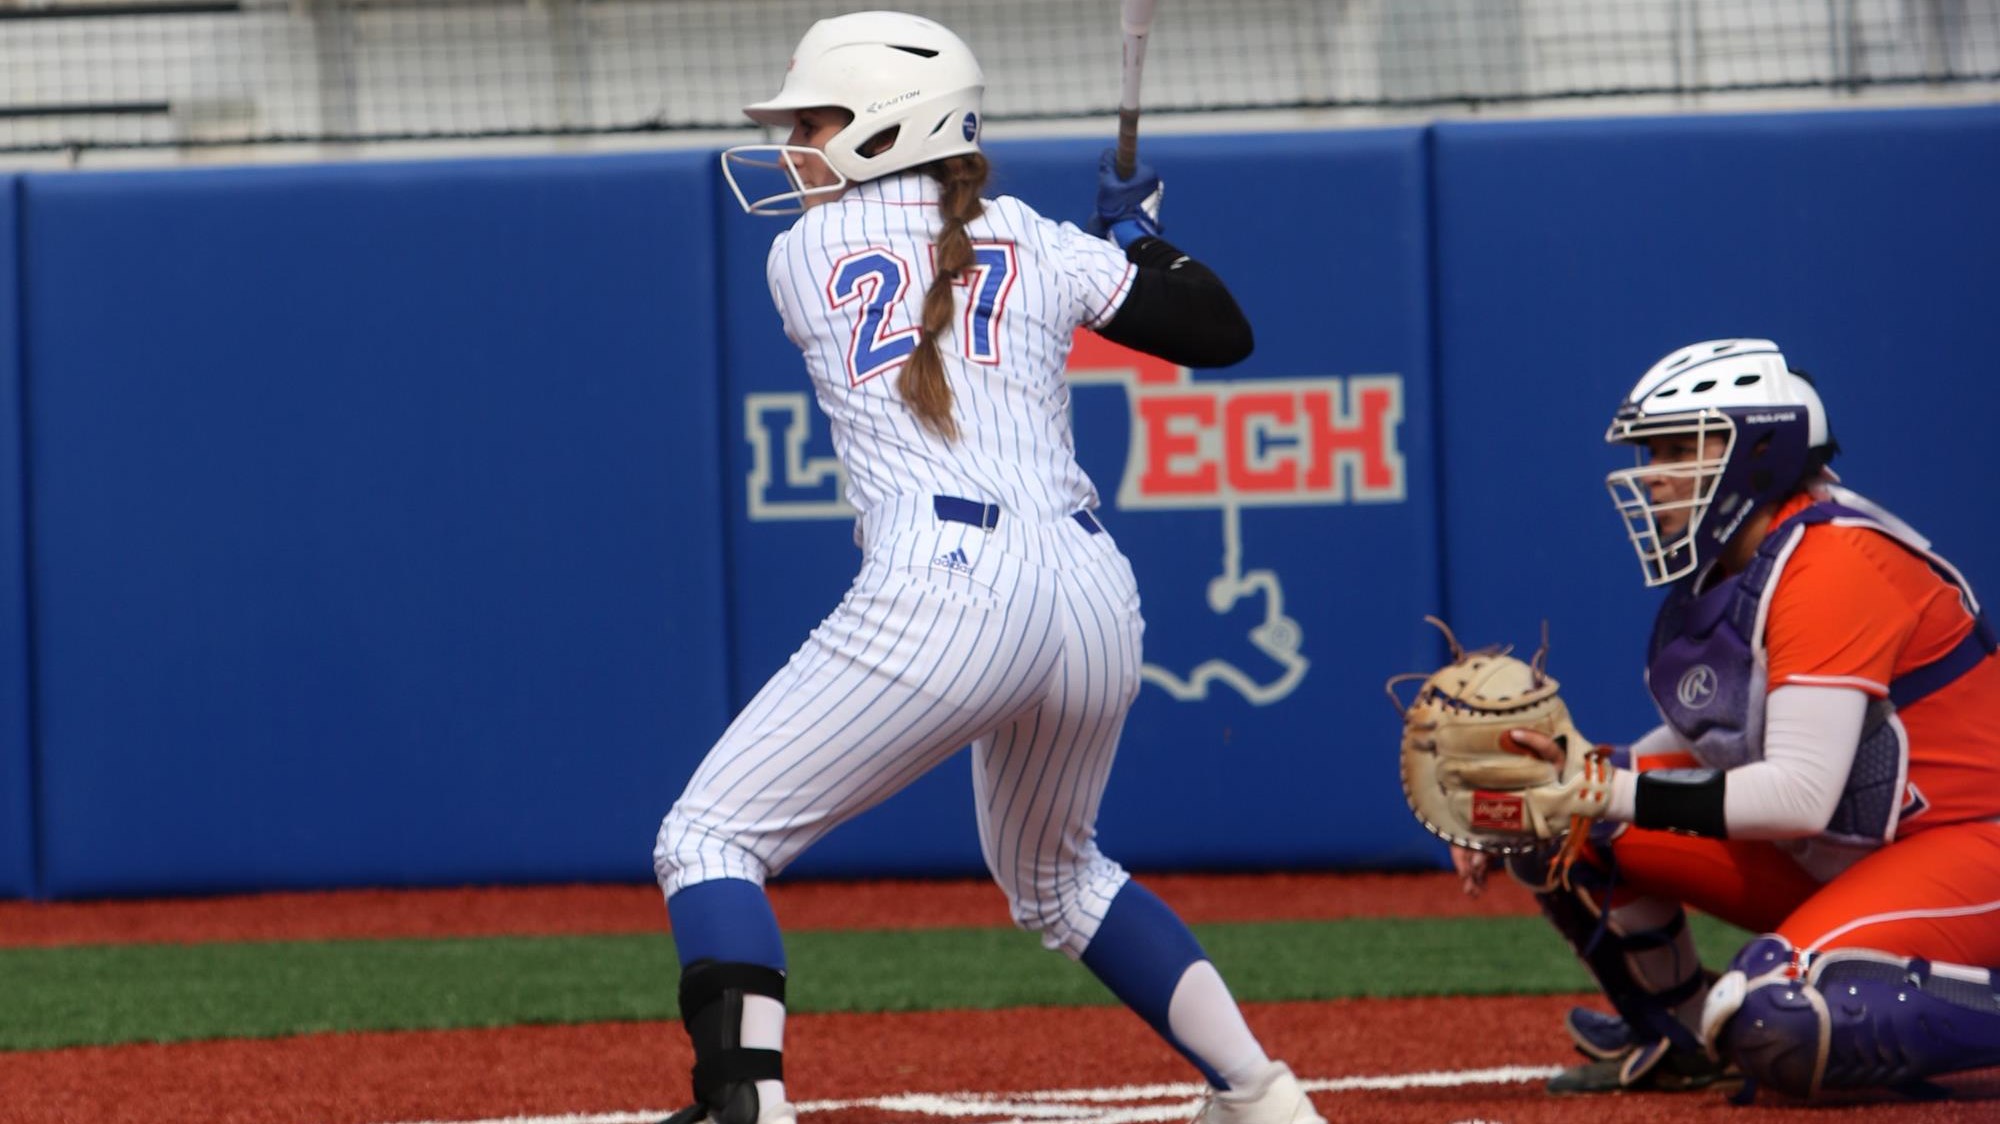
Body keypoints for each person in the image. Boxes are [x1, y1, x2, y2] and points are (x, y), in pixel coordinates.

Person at [653, 12, 1325, 1124]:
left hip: (948, 582)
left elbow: (938, 270)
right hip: (1092, 595)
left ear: (884, 126)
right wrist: (1138, 242)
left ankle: (746, 1103)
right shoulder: (1036, 237)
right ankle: (1258, 1092)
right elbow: (1216, 331)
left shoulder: (802, 253)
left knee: (708, 836)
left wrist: (1106, 248)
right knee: (1059, 878)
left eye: (813, 122)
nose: (792, 147)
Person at [1452, 337, 2000, 1099]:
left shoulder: (1832, 563)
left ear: (1761, 454)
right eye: (1654, 452)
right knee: (1556, 817)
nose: (1654, 475)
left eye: (1681, 450)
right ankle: (1680, 1039)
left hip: (1968, 850)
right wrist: (1557, 783)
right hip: (1857, 851)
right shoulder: (1742, 566)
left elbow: (1797, 795)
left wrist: (1603, 788)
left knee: (1779, 1013)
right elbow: (1719, 741)